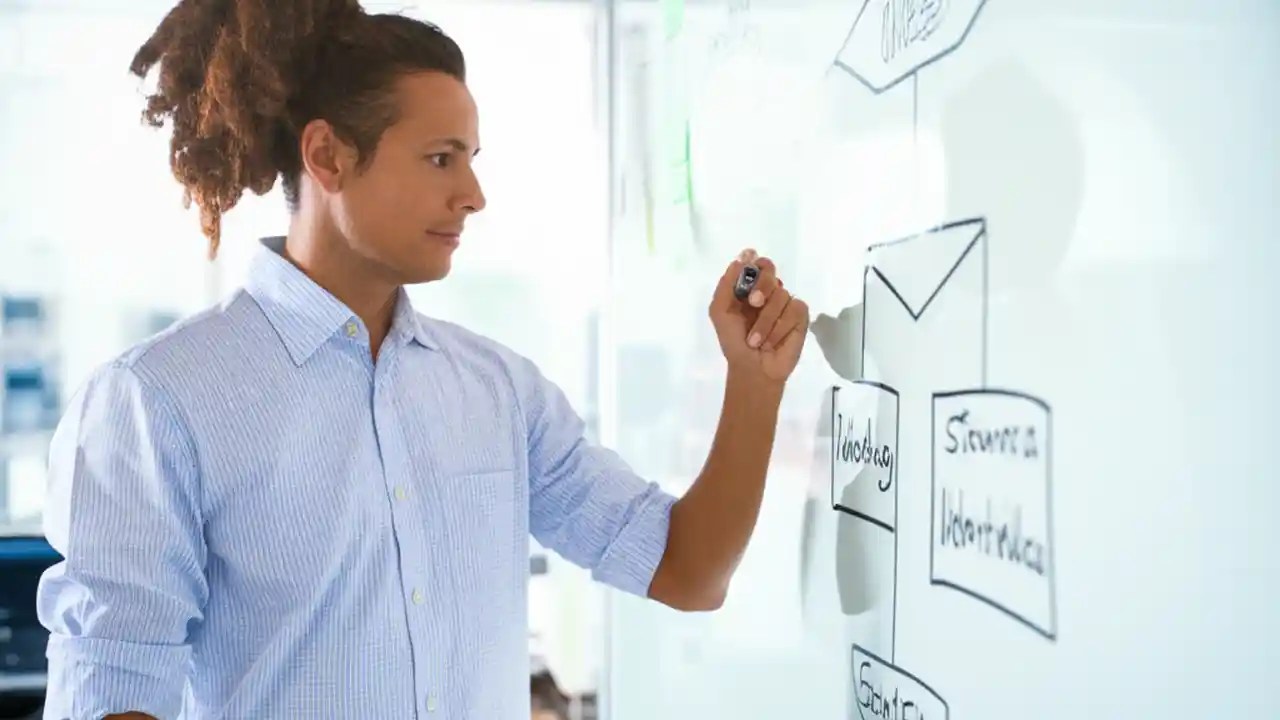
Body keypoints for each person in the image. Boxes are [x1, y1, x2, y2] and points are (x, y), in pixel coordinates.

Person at [35, 1, 810, 719]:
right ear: (329, 157)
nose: (473, 193)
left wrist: (754, 382)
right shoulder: (157, 401)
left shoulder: (500, 393)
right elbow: (112, 684)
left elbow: (689, 570)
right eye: (441, 159)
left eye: (470, 158)